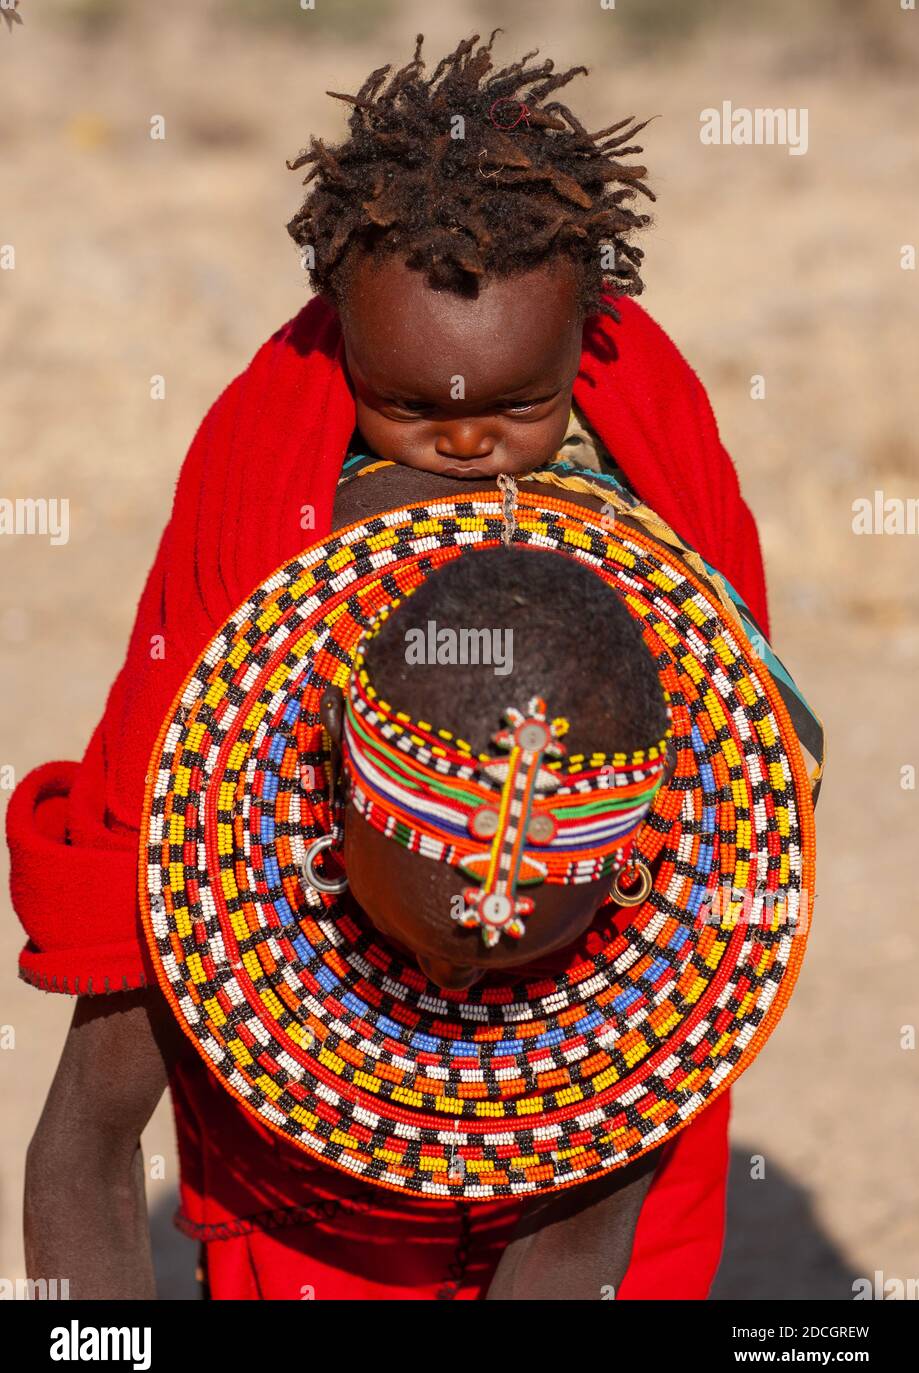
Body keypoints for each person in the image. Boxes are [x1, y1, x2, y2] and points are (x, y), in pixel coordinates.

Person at [10, 32, 788, 1299]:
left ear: (585, 331)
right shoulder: (266, 482)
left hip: (598, 1004)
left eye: (514, 409)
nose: (469, 442)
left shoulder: (652, 452)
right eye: (413, 411)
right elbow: (91, 1110)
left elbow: (740, 777)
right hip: (302, 1047)